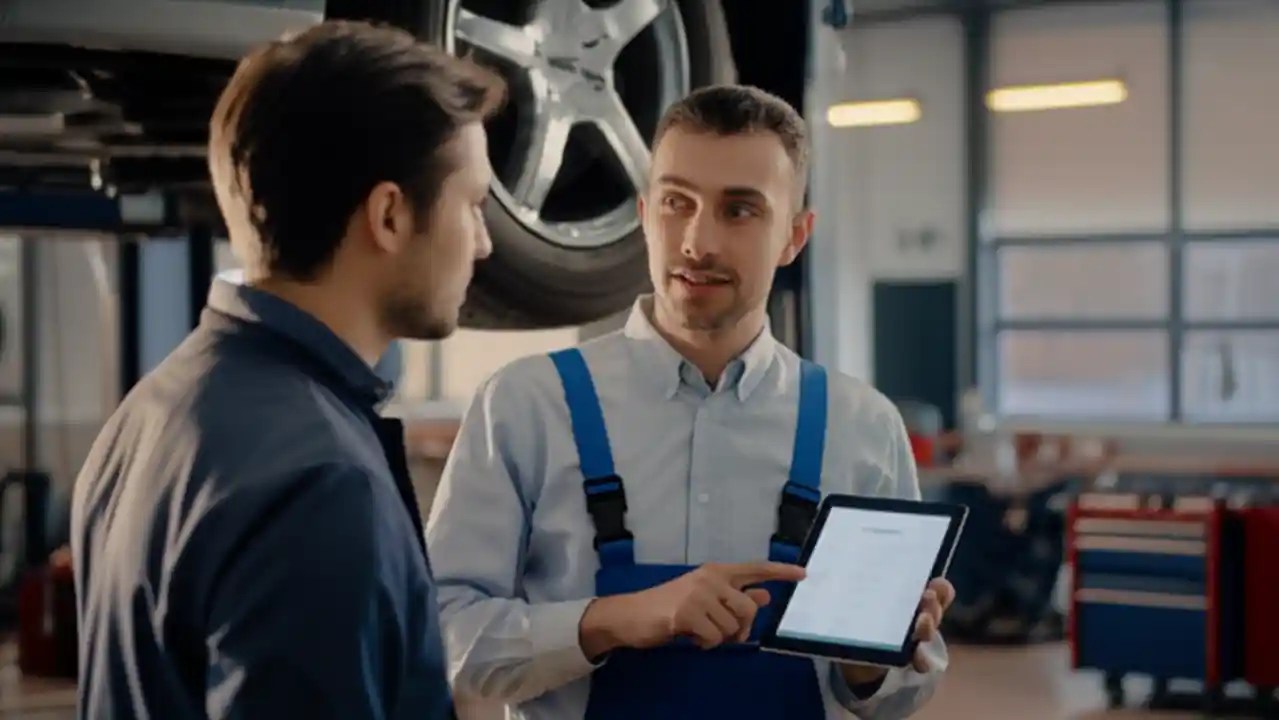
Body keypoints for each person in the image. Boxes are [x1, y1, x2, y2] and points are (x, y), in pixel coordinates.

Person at [425, 84, 954, 720]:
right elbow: (441, 636)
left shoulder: (864, 427)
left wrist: (872, 663)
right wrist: (616, 619)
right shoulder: (525, 405)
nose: (698, 243)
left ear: (794, 236)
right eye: (677, 203)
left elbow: (899, 695)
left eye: (740, 210)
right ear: (645, 214)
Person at [70, 20, 504, 720]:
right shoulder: (319, 483)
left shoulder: (152, 409)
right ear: (389, 216)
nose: (483, 244)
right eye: (474, 205)